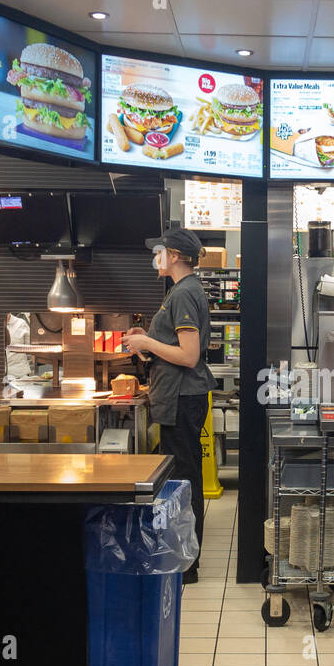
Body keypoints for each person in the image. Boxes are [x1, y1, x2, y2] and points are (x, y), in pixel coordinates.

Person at [124, 228, 216, 584]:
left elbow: (189, 356)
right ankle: (183, 556)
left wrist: (147, 340)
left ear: (174, 254)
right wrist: (146, 345)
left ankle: (187, 563)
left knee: (184, 480)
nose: (155, 257)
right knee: (181, 477)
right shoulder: (180, 291)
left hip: (183, 397)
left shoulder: (185, 293)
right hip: (177, 395)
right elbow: (175, 348)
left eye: (159, 251)